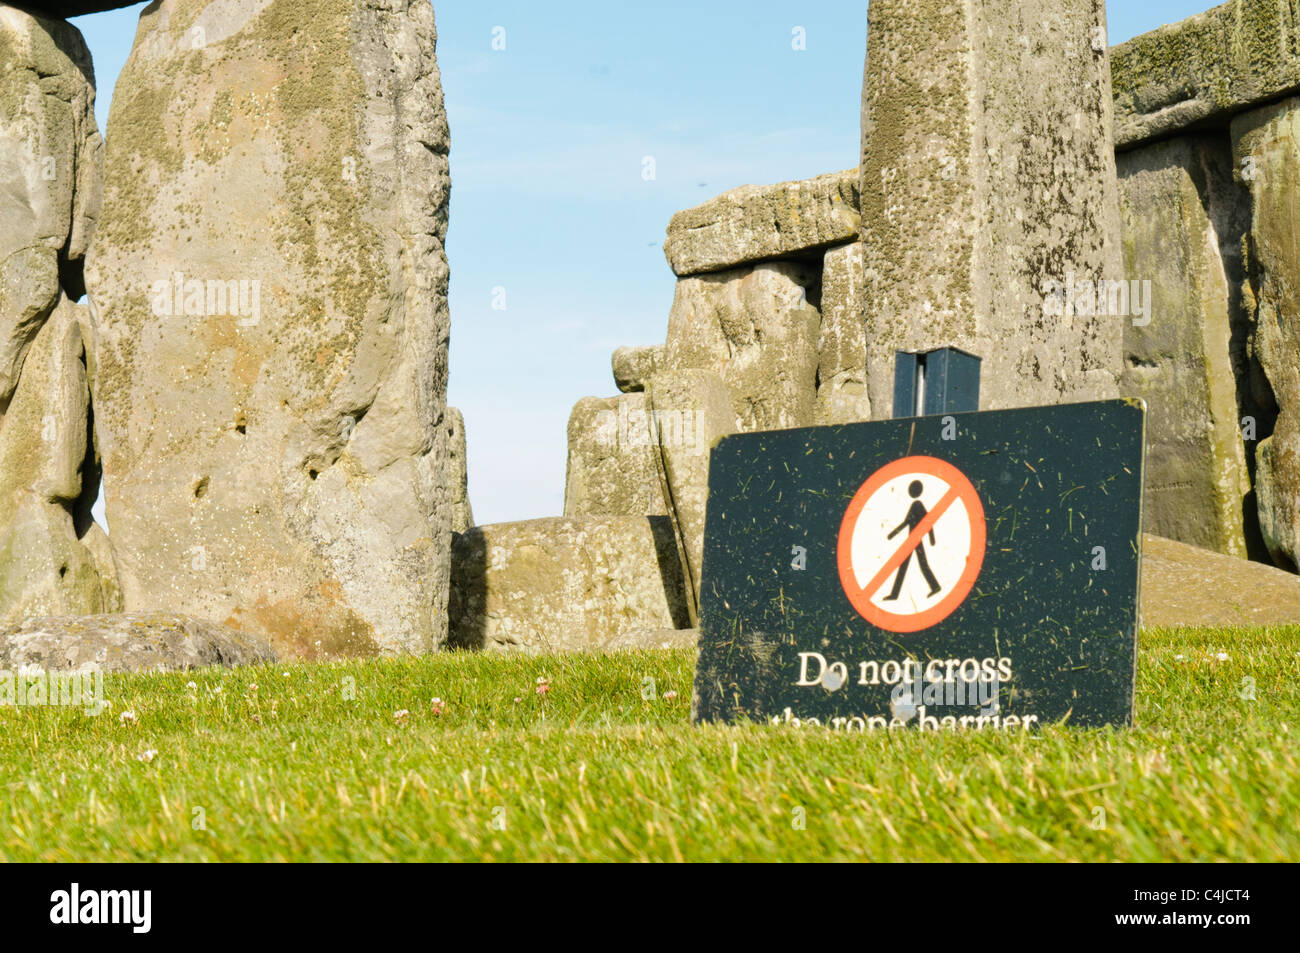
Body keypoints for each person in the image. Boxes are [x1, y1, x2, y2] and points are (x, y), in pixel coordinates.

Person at [884, 480, 942, 600]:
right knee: (909, 565)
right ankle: (895, 594)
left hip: (915, 540)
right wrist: (893, 533)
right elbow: (908, 522)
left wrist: (932, 538)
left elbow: (928, 521)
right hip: (912, 540)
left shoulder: (918, 505)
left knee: (918, 565)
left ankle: (935, 586)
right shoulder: (915, 505)